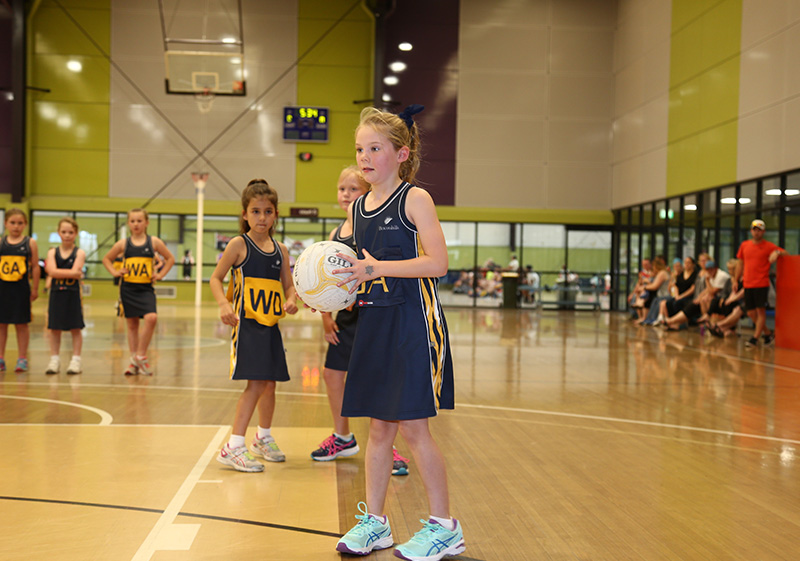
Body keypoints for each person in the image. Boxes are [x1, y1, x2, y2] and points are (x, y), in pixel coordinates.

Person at [332, 105, 465, 560]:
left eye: (375, 148)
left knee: (413, 427)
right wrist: (333, 292)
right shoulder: (359, 208)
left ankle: (445, 526)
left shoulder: (415, 199)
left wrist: (375, 268)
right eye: (359, 149)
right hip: (374, 321)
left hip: (413, 323)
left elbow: (438, 263)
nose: (365, 157)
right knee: (378, 428)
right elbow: (355, 273)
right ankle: (377, 523)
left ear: (401, 153)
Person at [309, 165, 411, 475]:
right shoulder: (334, 234)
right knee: (331, 374)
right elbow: (326, 279)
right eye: (342, 189)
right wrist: (325, 315)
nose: (346, 194)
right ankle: (342, 436)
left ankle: (387, 447)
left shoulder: (372, 226)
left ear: (366, 192)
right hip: (347, 317)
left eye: (353, 189)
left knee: (374, 380)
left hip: (372, 312)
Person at [210, 179, 298, 472]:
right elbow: (215, 278)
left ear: (275, 214)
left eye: (268, 211)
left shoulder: (281, 250)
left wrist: (291, 300)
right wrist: (224, 304)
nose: (262, 217)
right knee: (256, 383)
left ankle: (263, 437)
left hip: (271, 325)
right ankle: (233, 446)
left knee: (270, 384)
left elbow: (288, 286)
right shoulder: (238, 245)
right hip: (246, 324)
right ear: (245, 214)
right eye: (256, 211)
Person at [102, 208, 175, 375]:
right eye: (133, 221)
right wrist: (115, 272)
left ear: (147, 223)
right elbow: (107, 259)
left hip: (146, 289)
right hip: (128, 288)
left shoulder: (153, 242)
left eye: (139, 221)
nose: (136, 224)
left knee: (151, 318)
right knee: (132, 326)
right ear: (128, 223)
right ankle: (133, 362)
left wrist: (161, 275)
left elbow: (170, 259)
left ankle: (140, 355)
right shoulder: (123, 244)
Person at [734, 219, 787, 348]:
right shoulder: (745, 245)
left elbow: (786, 253)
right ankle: (768, 334)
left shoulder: (769, 246)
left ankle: (755, 338)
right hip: (747, 283)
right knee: (751, 312)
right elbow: (740, 263)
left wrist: (777, 252)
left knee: (760, 311)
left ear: (763, 232)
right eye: (754, 230)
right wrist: (736, 279)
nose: (756, 233)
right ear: (751, 231)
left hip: (761, 283)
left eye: (759, 230)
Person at [44, 217, 86, 375]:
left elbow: (75, 273)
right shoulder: (52, 252)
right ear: (58, 233)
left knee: (76, 328)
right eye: (64, 232)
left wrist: (58, 273)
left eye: (70, 232)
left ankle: (76, 360)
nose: (67, 235)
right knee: (54, 328)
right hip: (56, 293)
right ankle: (54, 359)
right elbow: (52, 271)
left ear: (76, 233)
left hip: (73, 294)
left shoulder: (79, 252)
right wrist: (68, 273)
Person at [0, 208, 39, 373]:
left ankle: (22, 358)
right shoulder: (1, 242)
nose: (16, 226)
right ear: (5, 223)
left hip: (21, 289)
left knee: (21, 324)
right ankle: (0, 358)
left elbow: (36, 266)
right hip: (2, 289)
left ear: (25, 224)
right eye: (13, 223)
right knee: (1, 324)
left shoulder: (30, 243)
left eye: (20, 223)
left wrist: (35, 288)